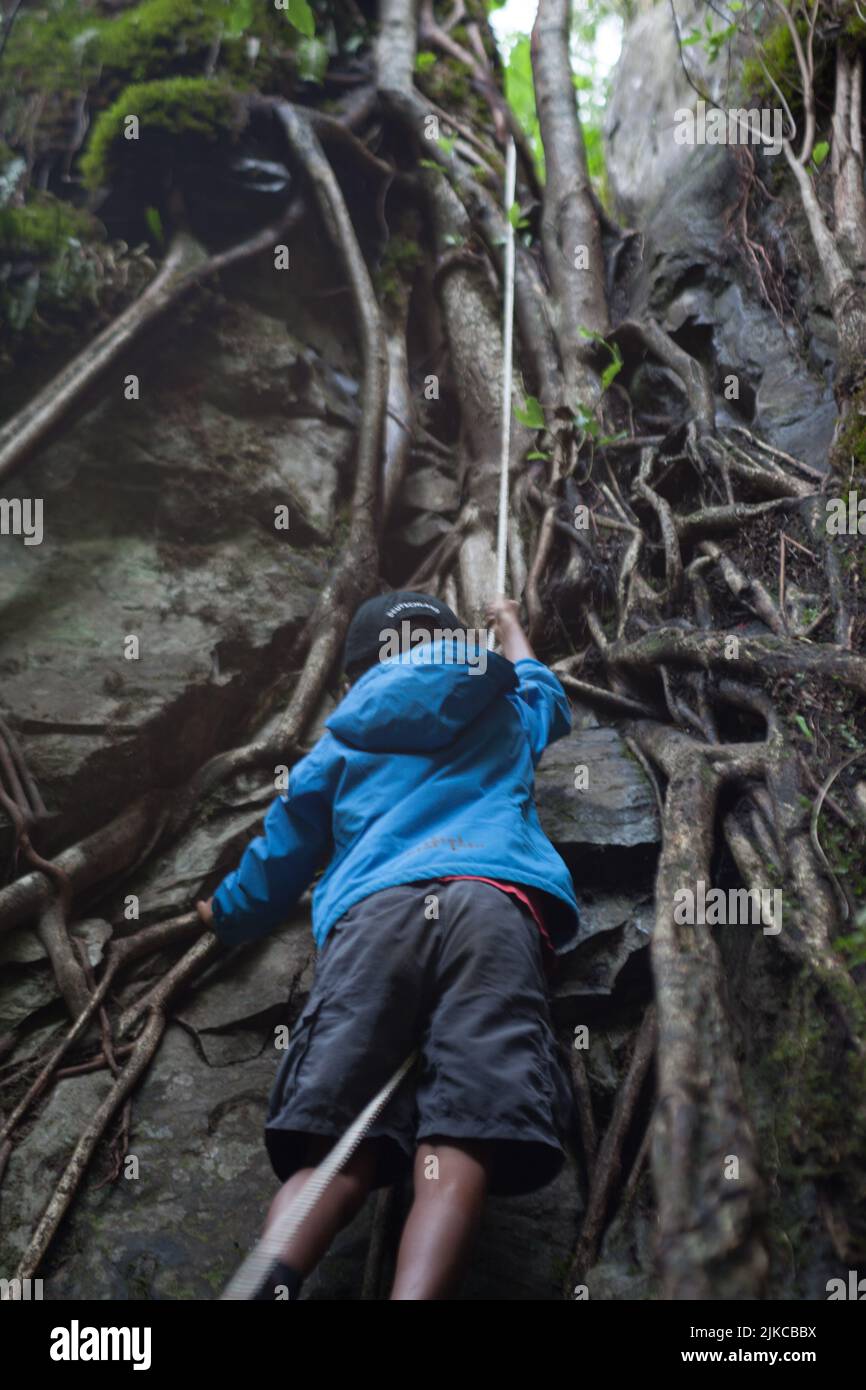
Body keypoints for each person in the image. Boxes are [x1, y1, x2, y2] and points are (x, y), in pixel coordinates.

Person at [196, 590, 581, 1301]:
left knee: (339, 1149)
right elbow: (548, 695)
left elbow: (279, 860)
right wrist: (510, 626)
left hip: (377, 918)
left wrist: (222, 913)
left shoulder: (340, 739)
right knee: (463, 1135)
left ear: (354, 673)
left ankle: (264, 1287)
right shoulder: (498, 703)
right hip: (492, 904)